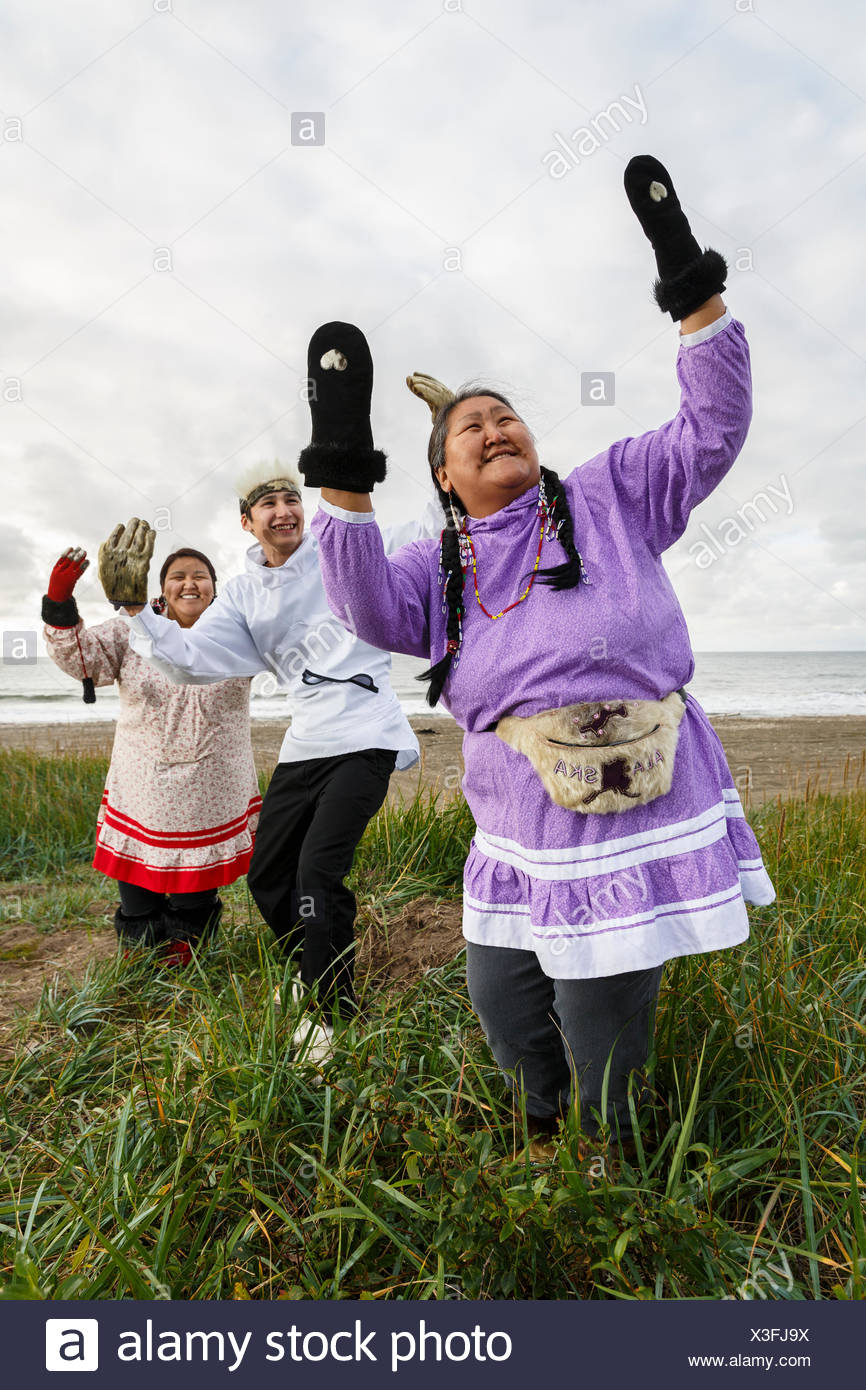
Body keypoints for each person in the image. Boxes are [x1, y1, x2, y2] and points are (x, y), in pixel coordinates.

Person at [304, 156, 776, 1156]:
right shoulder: (433, 561)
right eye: (467, 424)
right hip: (514, 824)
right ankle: (538, 1126)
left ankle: (616, 1171)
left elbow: (713, 425)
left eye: (504, 412)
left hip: (629, 805)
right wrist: (342, 474)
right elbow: (361, 605)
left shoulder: (609, 495)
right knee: (504, 997)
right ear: (442, 475)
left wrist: (688, 285)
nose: (492, 424)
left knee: (600, 1012)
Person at [124, 458, 440, 1056]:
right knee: (269, 877)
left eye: (291, 500)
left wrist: (439, 448)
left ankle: (333, 1014)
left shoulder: (345, 549)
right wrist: (137, 610)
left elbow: (428, 528)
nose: (284, 511)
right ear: (248, 523)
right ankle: (313, 967)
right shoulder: (241, 593)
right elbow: (189, 658)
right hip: (305, 743)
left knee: (319, 873)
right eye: (268, 505)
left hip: (366, 734)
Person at [42, 524, 261, 963]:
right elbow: (83, 660)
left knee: (194, 898)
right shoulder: (129, 630)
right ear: (161, 588)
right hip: (143, 782)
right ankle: (140, 963)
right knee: (138, 894)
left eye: (199, 575)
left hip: (211, 787)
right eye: (177, 576)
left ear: (214, 587)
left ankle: (189, 965)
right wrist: (59, 602)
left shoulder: (240, 631)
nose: (189, 583)